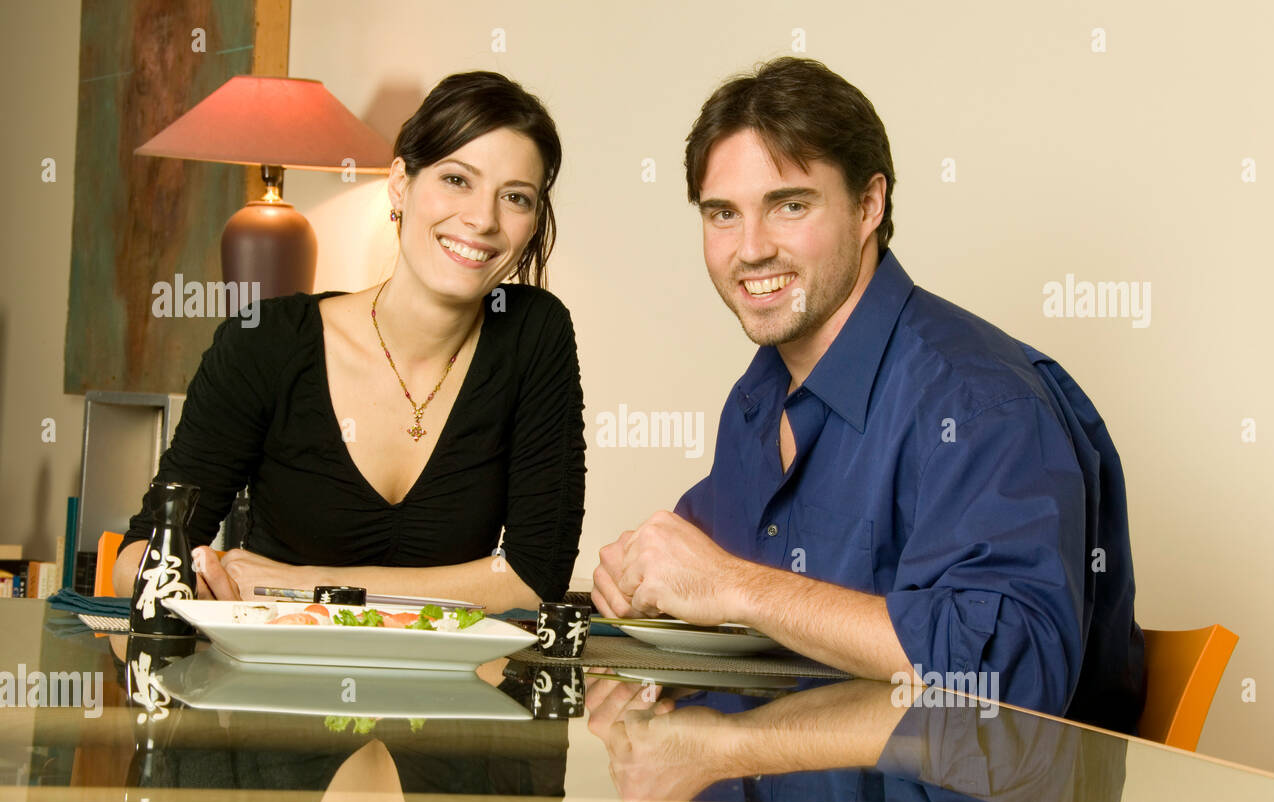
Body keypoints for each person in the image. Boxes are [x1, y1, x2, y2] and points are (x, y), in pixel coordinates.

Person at [591, 57, 1145, 735]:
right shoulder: (759, 397)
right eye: (722, 214)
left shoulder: (981, 404)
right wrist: (641, 580)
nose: (751, 249)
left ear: (868, 205)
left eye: (789, 205)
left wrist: (731, 589)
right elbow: (701, 570)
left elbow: (1009, 679)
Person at [114, 71, 586, 614]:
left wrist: (300, 585)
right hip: (271, 685)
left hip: (447, 694)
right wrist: (198, 582)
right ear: (400, 184)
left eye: (516, 197)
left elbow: (533, 576)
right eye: (457, 179)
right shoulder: (265, 341)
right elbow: (140, 555)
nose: (482, 219)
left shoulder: (534, 334)